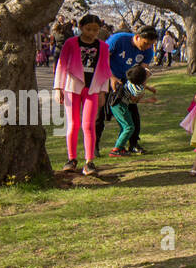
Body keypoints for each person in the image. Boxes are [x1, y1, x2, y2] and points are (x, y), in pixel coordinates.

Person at [53, 14, 113, 177]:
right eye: (88, 29)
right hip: (72, 87)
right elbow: (62, 66)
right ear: (80, 27)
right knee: (73, 123)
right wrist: (58, 88)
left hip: (92, 88)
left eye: (95, 29)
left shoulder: (103, 47)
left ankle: (89, 161)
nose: (92, 32)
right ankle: (71, 159)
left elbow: (105, 70)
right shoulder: (71, 43)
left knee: (88, 125)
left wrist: (102, 92)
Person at [104, 25, 158, 153]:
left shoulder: (148, 51)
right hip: (107, 76)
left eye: (151, 44)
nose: (148, 47)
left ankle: (133, 144)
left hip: (127, 81)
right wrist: (111, 77)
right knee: (101, 114)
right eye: (146, 43)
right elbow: (103, 58)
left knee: (133, 113)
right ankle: (95, 147)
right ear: (137, 37)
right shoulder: (118, 39)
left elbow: (142, 72)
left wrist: (141, 89)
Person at [109, 64, 158, 157]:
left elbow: (141, 85)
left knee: (125, 127)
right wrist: (148, 100)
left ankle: (121, 147)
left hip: (116, 104)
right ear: (142, 79)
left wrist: (149, 87)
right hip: (120, 106)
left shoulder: (131, 80)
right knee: (129, 127)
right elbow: (135, 100)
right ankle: (116, 149)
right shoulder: (138, 90)